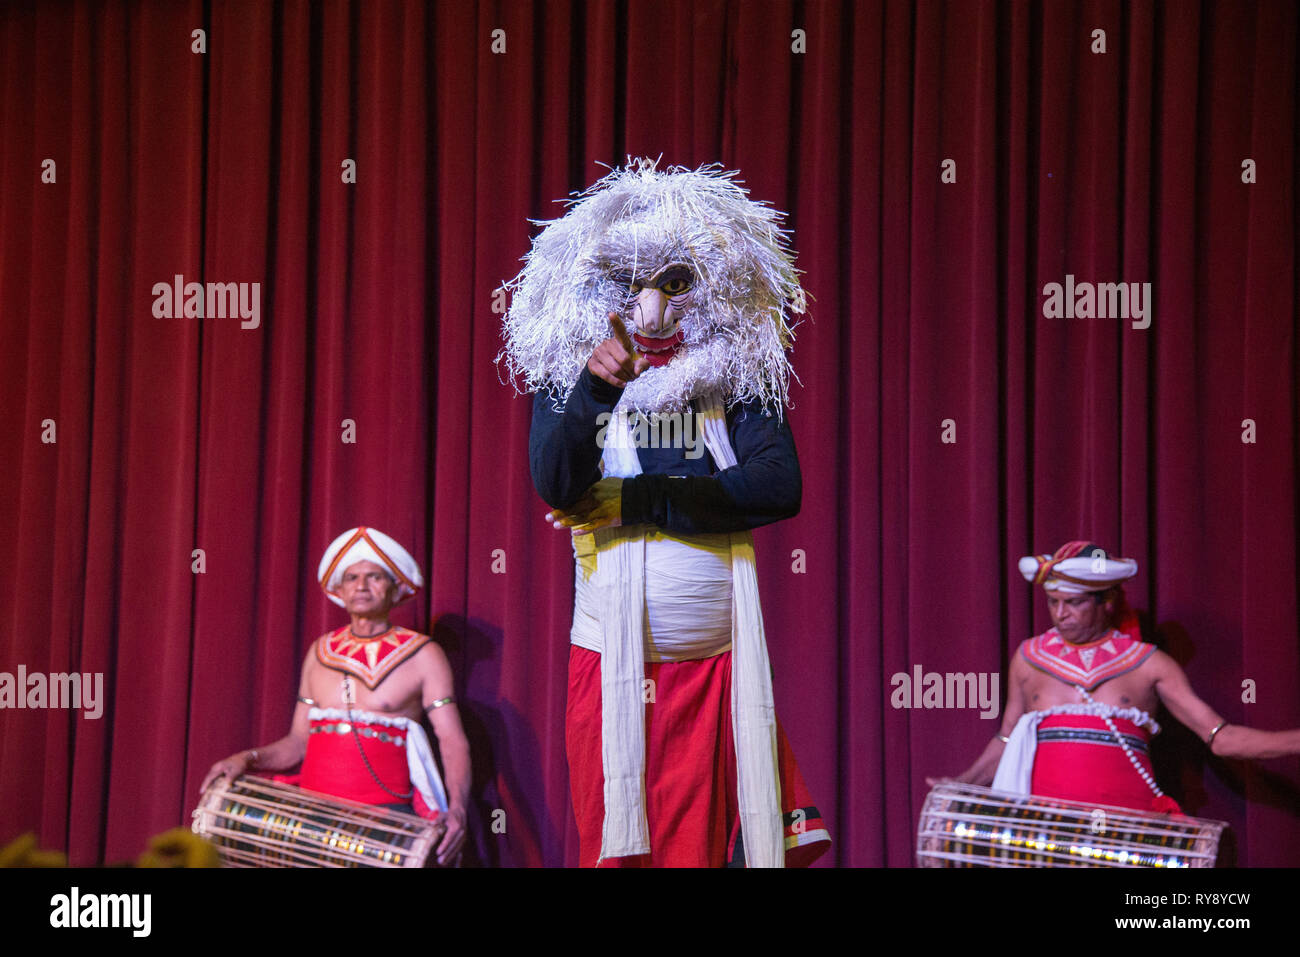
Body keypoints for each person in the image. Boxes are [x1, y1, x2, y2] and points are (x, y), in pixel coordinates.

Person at [500, 159, 831, 867]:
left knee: (700, 852)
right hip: (612, 666)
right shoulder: (569, 377)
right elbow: (557, 482)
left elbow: (778, 485)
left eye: (676, 283)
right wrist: (595, 386)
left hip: (714, 670)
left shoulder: (735, 384)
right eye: (630, 284)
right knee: (616, 846)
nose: (650, 308)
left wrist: (638, 500)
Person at [951, 540, 1300, 813]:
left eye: (1073, 603)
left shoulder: (1149, 664)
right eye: (1052, 601)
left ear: (1108, 602)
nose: (1060, 614)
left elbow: (1222, 739)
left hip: (1125, 829)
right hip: (1046, 830)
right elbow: (1007, 740)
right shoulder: (1029, 659)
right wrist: (960, 785)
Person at [201, 527, 470, 865]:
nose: (361, 586)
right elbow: (298, 743)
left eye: (374, 577)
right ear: (339, 591)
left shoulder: (424, 655)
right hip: (310, 820)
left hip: (383, 824)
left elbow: (452, 740)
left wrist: (457, 808)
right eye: (352, 578)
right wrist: (246, 759)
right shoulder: (319, 652)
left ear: (395, 587)